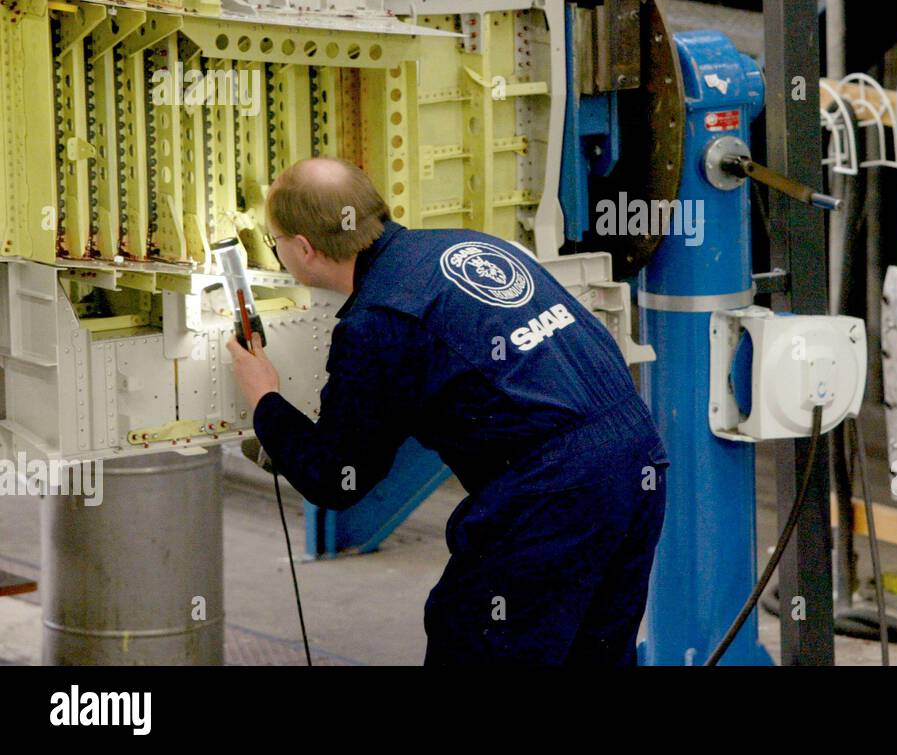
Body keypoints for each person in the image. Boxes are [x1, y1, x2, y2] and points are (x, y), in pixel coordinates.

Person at [225, 156, 669, 665]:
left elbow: (338, 479)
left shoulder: (379, 320)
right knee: (595, 653)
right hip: (637, 460)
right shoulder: (470, 245)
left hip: (555, 495)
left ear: (302, 247)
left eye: (273, 238)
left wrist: (265, 399)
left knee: (475, 642)